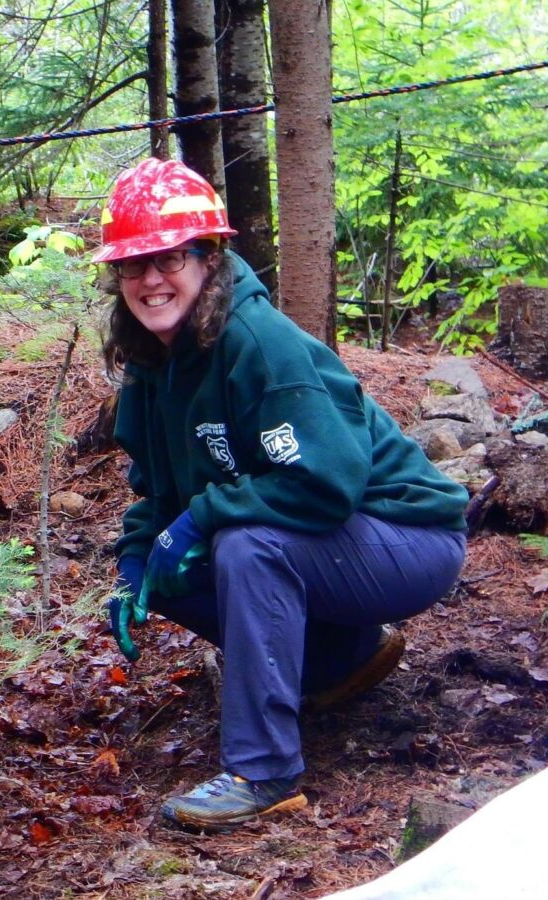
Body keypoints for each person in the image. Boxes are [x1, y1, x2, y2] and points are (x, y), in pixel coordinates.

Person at [95, 158, 468, 832]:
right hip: (336, 543)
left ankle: (264, 772)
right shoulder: (153, 362)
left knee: (247, 544)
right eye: (133, 264)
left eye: (170, 258)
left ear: (209, 257)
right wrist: (133, 566)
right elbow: (158, 493)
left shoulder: (259, 345)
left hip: (407, 539)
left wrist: (201, 518)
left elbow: (324, 485)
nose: (151, 280)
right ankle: (338, 661)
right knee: (168, 568)